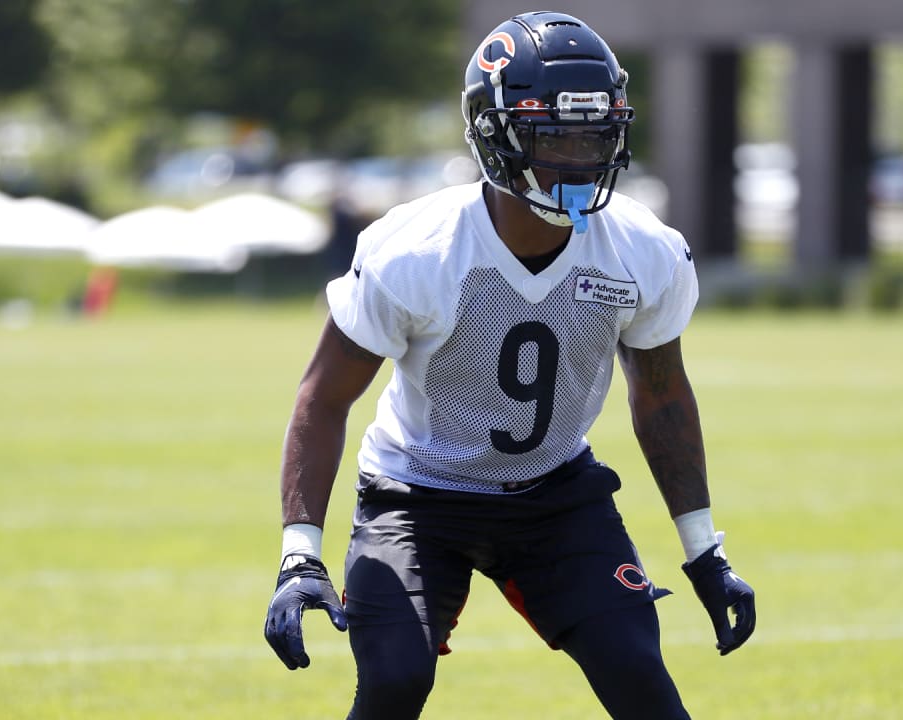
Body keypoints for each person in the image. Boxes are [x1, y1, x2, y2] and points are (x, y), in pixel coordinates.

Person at [263, 11, 755, 719]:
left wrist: (703, 548)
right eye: (556, 136)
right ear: (496, 138)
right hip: (418, 494)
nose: (583, 158)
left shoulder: (643, 249)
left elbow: (661, 394)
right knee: (395, 680)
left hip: (556, 494)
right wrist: (299, 553)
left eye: (597, 134)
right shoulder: (418, 251)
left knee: (641, 679)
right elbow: (324, 397)